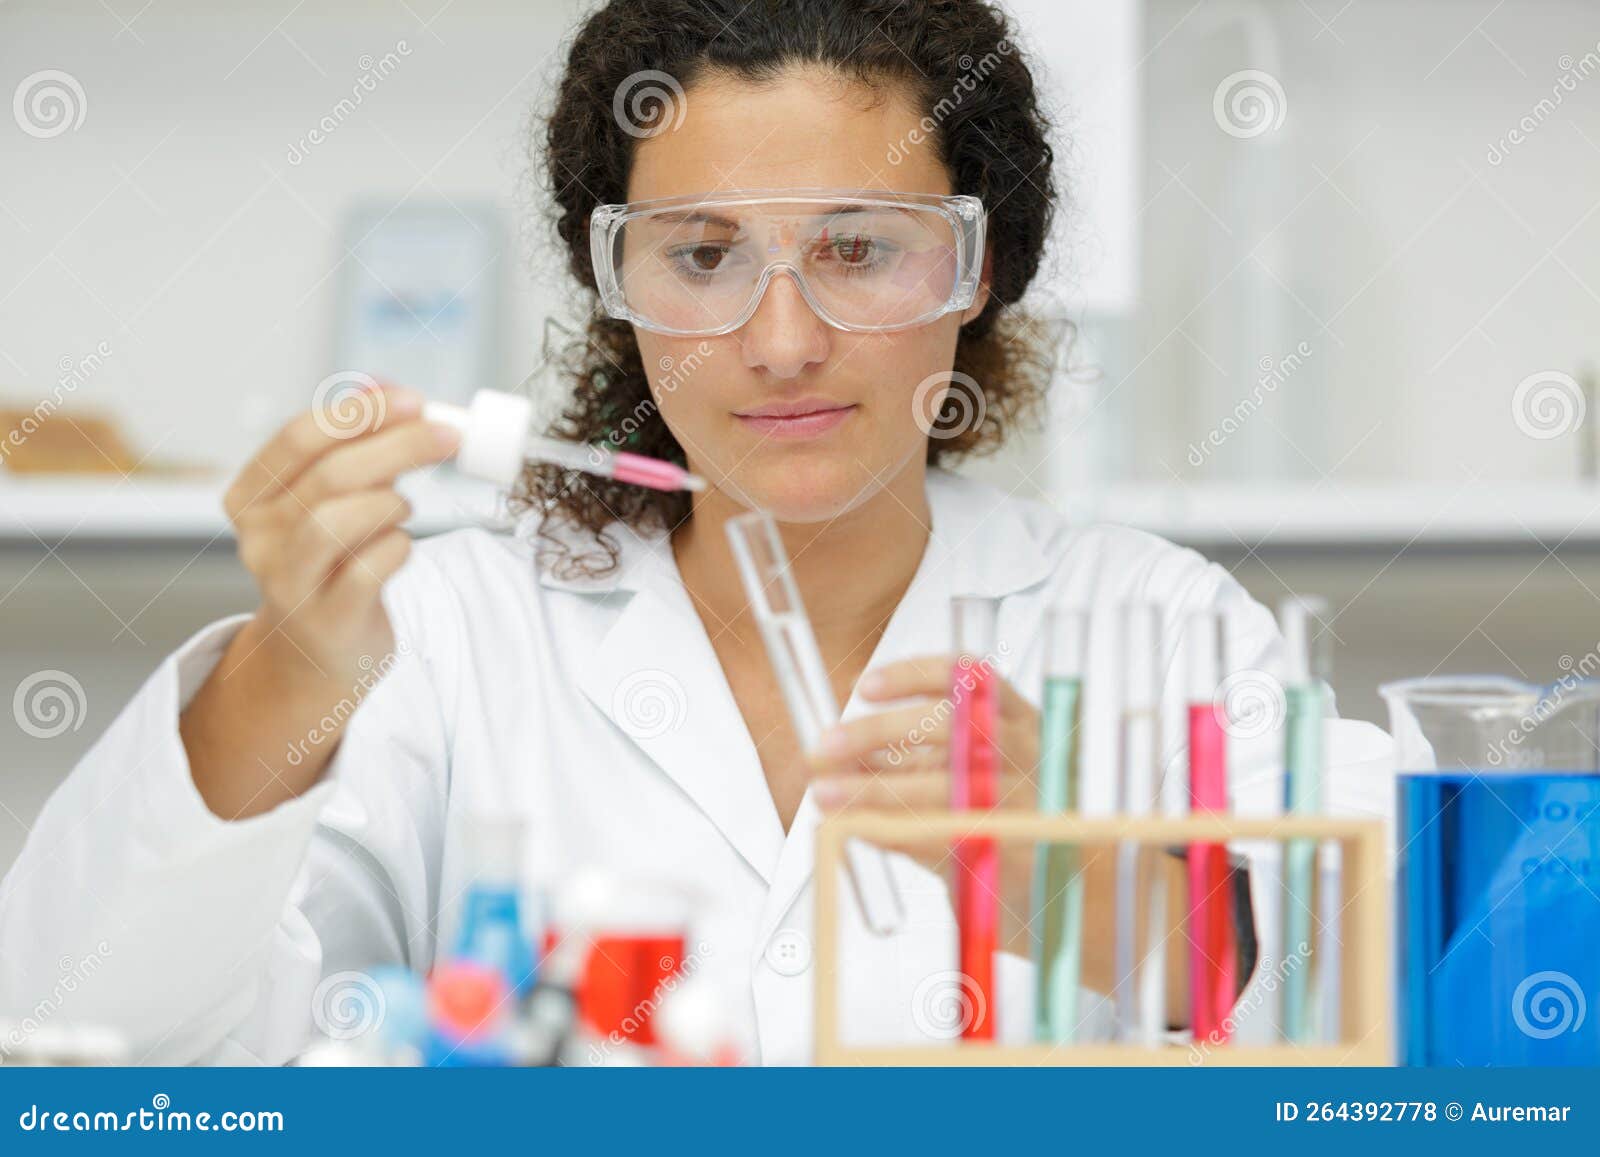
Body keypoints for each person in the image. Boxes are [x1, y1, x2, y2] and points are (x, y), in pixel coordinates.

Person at [0, 0, 1389, 1064]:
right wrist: (287, 672)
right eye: (703, 254)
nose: (781, 340)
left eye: (859, 245)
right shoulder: (449, 636)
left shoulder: (1161, 630)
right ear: (620, 282)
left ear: (980, 266)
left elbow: (1440, 1032)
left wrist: (1079, 883)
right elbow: (95, 1058)